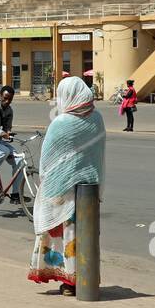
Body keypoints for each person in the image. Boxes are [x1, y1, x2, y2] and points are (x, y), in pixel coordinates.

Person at [29, 77, 105, 296]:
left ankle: (69, 281)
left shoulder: (61, 123)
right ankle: (85, 279)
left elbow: (47, 163)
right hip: (89, 189)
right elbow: (97, 154)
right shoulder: (98, 118)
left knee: (66, 236)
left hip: (63, 191)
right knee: (85, 236)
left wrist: (50, 185)